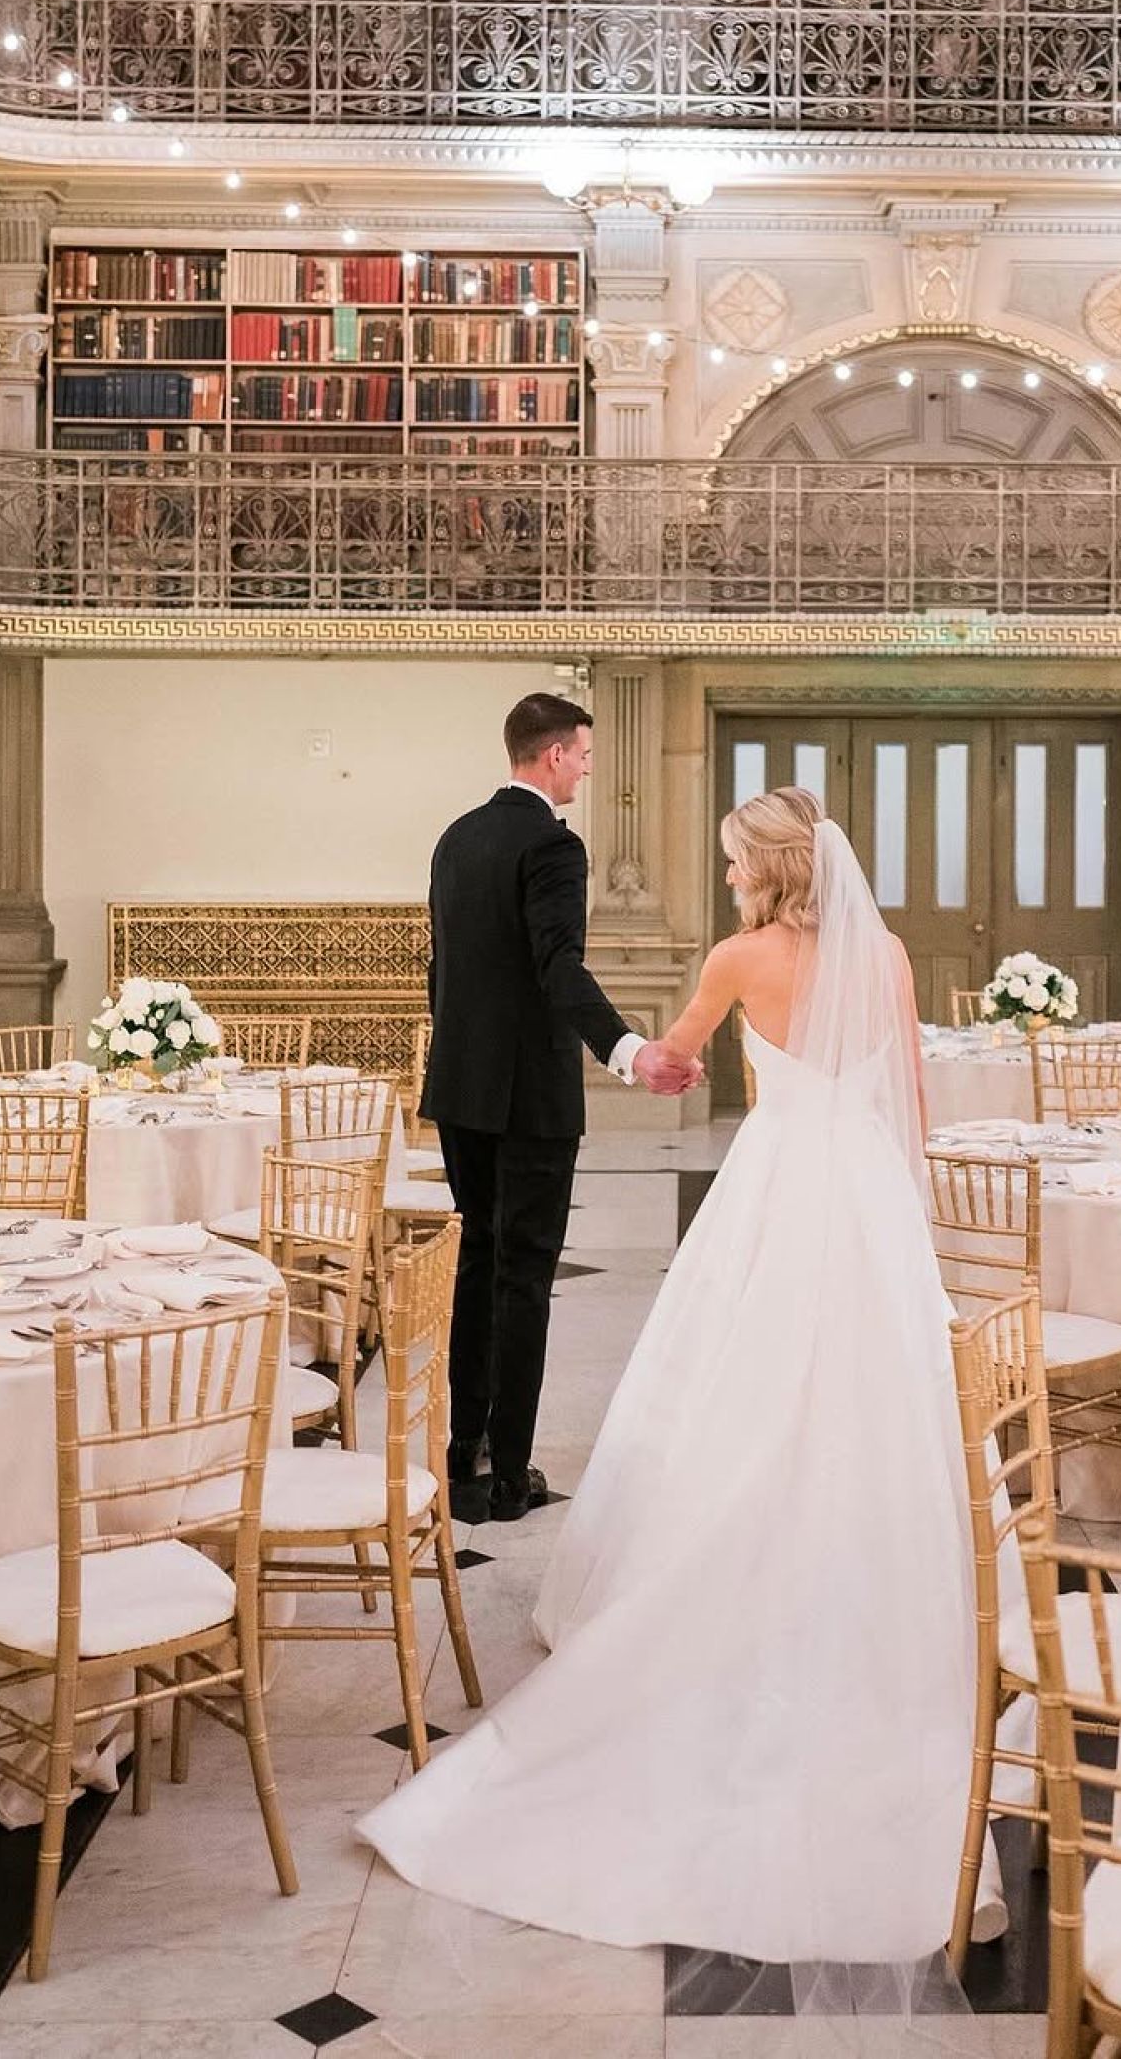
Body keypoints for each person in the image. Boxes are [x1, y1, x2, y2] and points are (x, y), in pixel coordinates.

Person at [361, 786, 982, 1970]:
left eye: (733, 862)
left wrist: (658, 1061)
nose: (729, 878)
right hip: (867, 1190)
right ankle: (866, 1569)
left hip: (778, 1185)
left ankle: (732, 1556)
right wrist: (903, 1203)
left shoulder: (742, 956)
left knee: (733, 1379)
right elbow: (912, 1085)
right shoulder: (889, 953)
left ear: (760, 868)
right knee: (870, 1383)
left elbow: (680, 1056)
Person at [422, 692, 697, 1523]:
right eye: (581, 754)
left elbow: (445, 970)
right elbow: (558, 967)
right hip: (527, 1100)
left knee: (477, 1266)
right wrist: (627, 1048)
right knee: (525, 1278)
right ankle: (509, 1474)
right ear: (550, 756)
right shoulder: (553, 844)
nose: (585, 766)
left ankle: (460, 1449)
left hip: (462, 1088)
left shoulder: (456, 838)